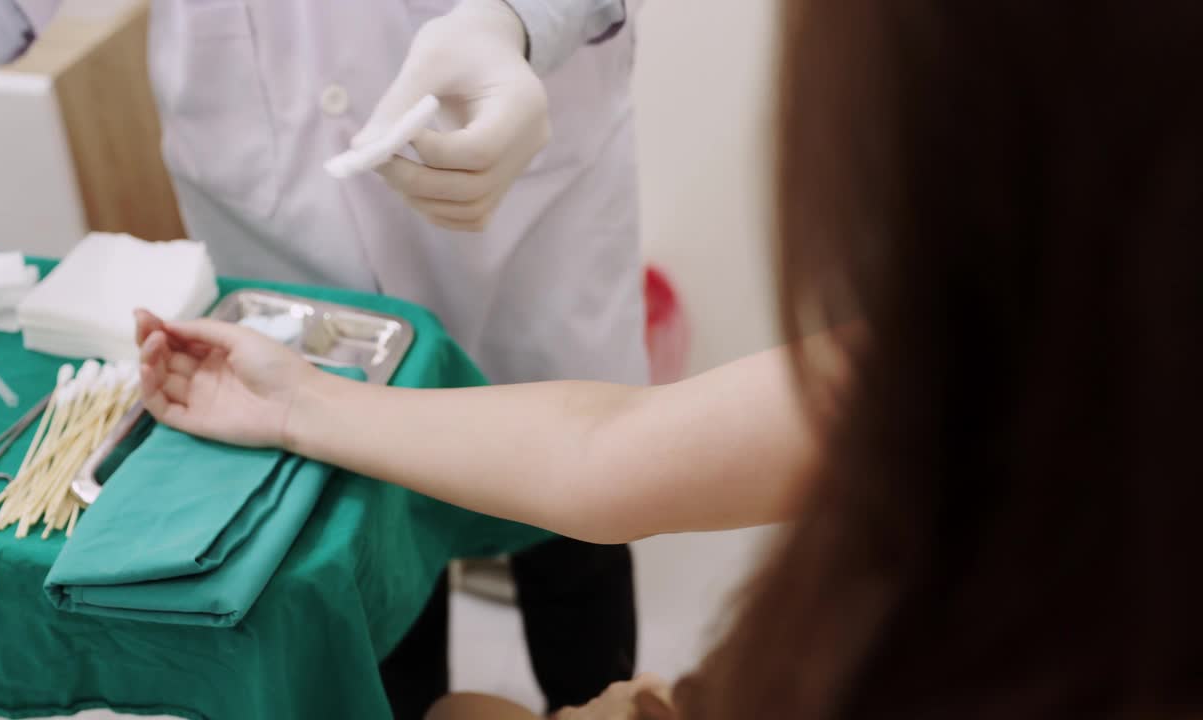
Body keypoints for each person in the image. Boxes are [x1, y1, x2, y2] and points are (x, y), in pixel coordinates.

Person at [134, 0, 1203, 716]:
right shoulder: (965, 373)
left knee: (535, 621)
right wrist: (301, 401)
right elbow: (607, 454)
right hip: (306, 280)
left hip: (528, 262)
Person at [0, 0, 645, 716]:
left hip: (523, 235)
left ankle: (584, 687)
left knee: (572, 539)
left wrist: (511, 20)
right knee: (377, 572)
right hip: (283, 245)